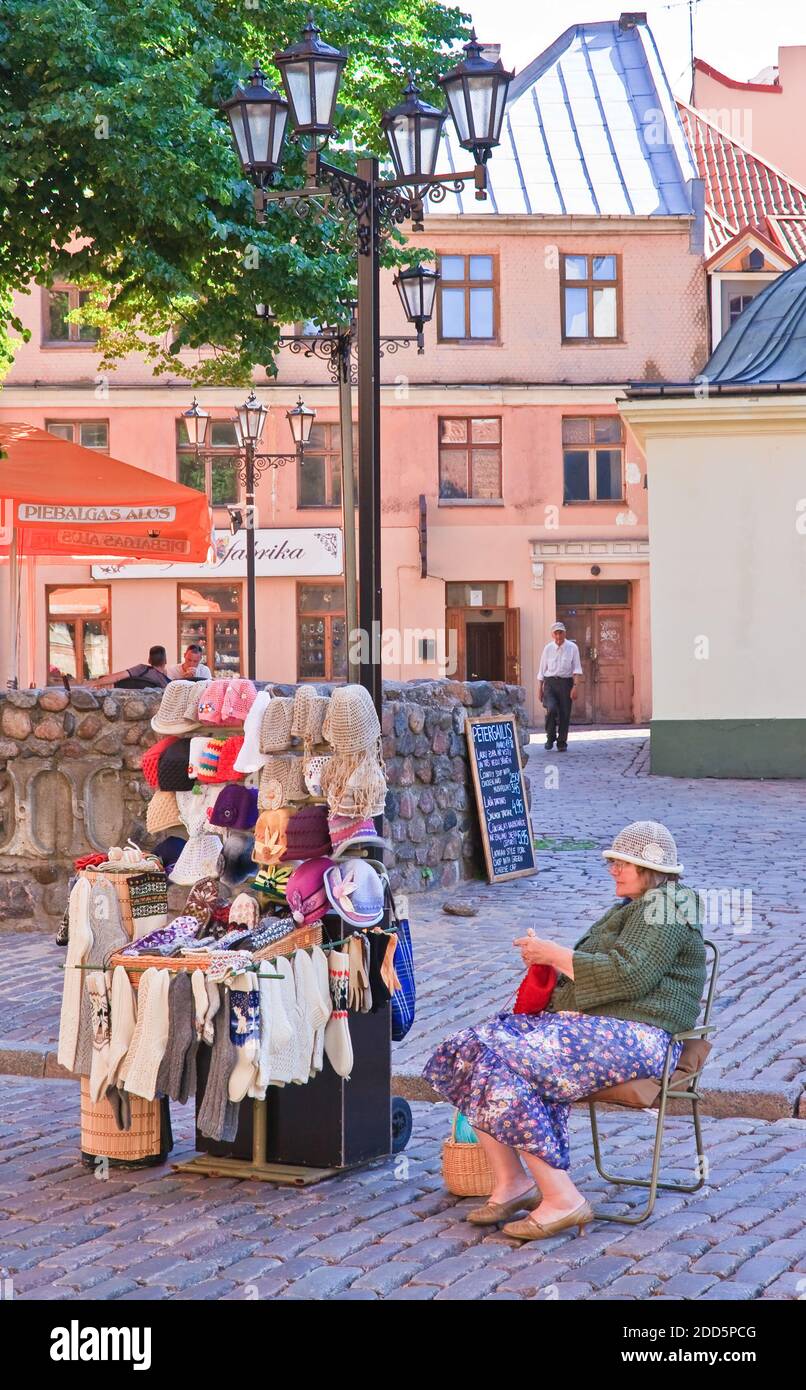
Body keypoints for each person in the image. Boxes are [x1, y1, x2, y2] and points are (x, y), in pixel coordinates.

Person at [423, 821, 706, 1241]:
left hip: (639, 1036)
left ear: (650, 869)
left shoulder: (665, 907)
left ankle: (562, 1197)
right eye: (613, 861)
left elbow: (629, 977)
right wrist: (552, 959)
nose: (613, 869)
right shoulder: (636, 905)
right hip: (596, 1030)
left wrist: (556, 954)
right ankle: (513, 1182)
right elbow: (604, 971)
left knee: (499, 1056)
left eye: (624, 863)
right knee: (467, 1048)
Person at [537, 621, 582, 751]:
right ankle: (550, 736)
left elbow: (577, 669)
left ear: (565, 633)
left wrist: (575, 687)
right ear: (552, 635)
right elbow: (542, 670)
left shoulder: (572, 648)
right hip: (550, 683)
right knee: (551, 709)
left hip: (565, 683)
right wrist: (539, 689)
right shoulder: (548, 648)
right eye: (556, 633)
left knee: (564, 713)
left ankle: (562, 742)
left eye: (560, 633)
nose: (558, 636)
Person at [91, 645, 170, 690]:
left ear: (149, 660)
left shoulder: (142, 669)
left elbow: (117, 677)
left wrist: (93, 683)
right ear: (165, 660)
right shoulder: (166, 683)